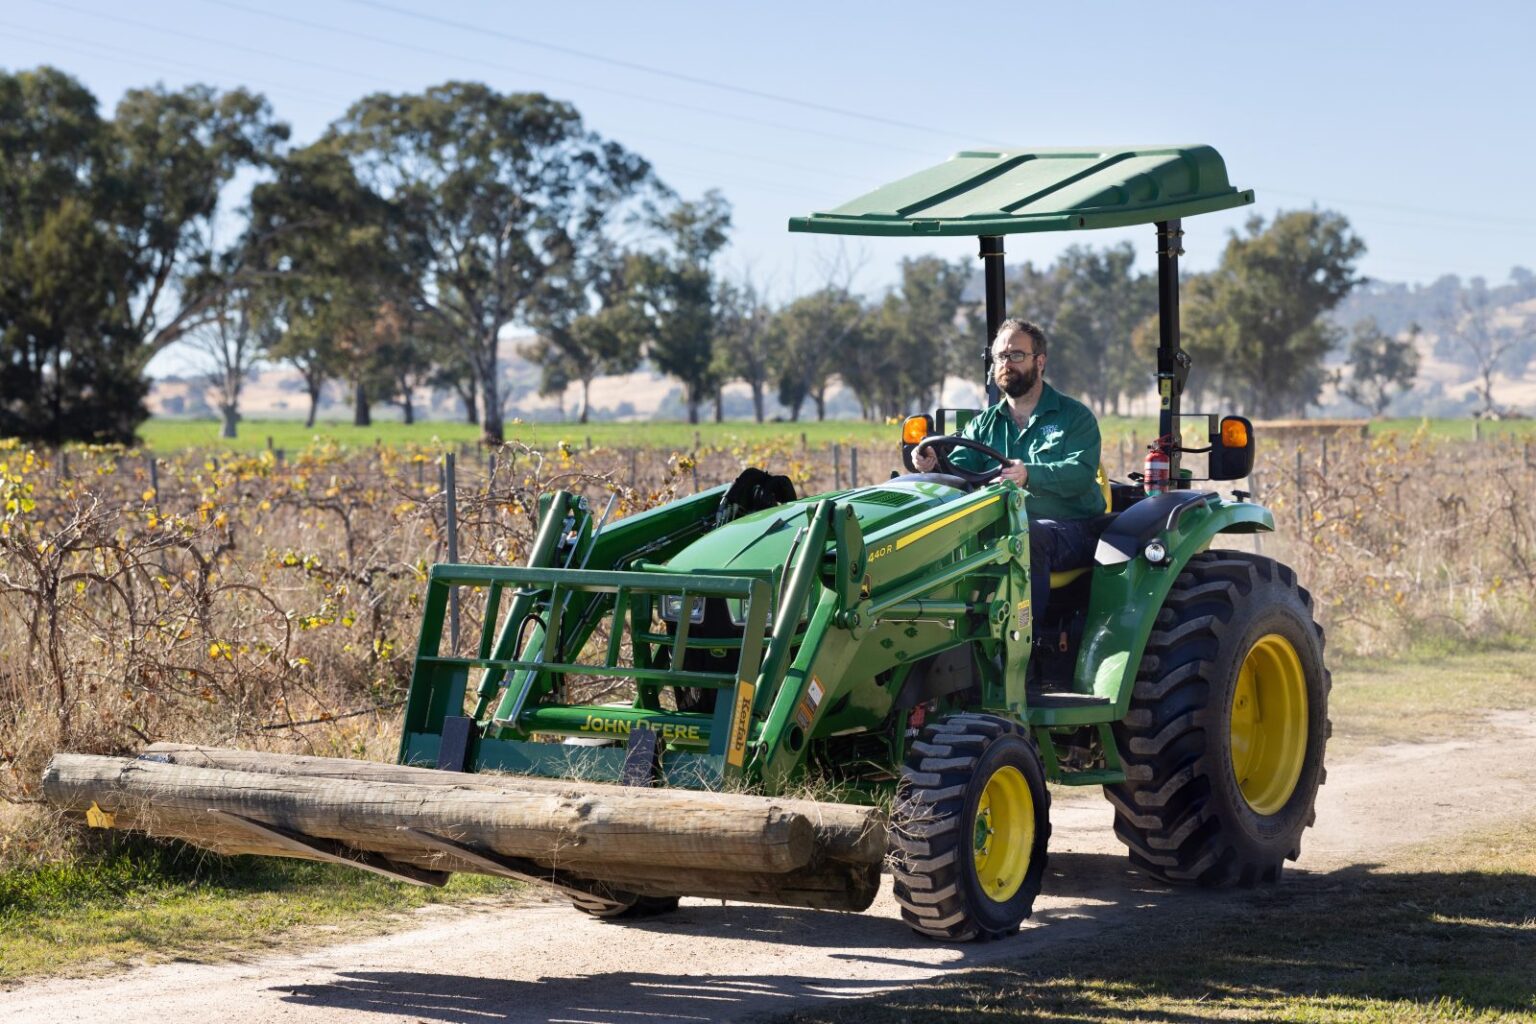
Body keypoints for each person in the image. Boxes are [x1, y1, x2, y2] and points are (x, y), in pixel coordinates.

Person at [912, 318, 1104, 645]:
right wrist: (934, 463)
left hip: (1073, 528)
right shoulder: (984, 424)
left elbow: (1081, 472)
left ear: (1039, 362)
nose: (1006, 364)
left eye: (1016, 355)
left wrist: (1030, 473)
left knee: (1026, 537)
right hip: (1003, 525)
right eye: (1000, 356)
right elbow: (960, 470)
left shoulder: (1074, 417)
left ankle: (1024, 644)